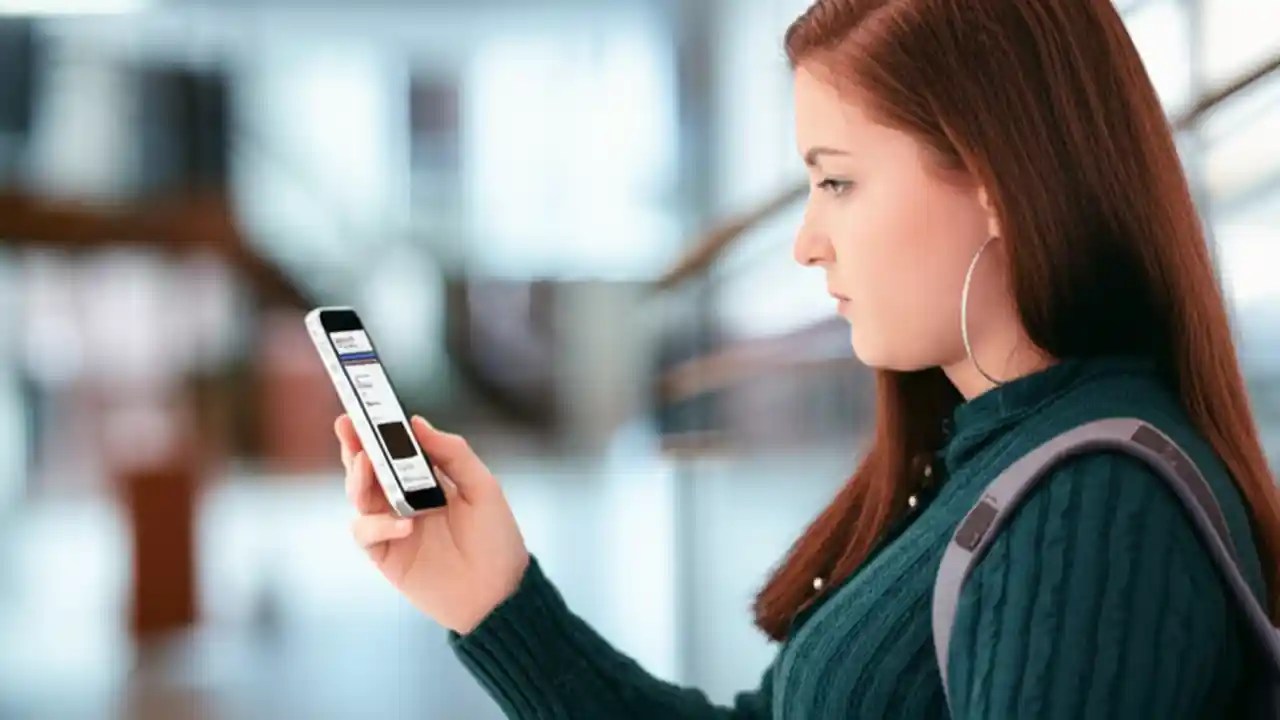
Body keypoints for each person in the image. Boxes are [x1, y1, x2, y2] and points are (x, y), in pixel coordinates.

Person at [332, 0, 1280, 717]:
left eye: (837, 180)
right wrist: (493, 600)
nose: (807, 242)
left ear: (994, 182)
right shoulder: (992, 462)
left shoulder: (1087, 512)